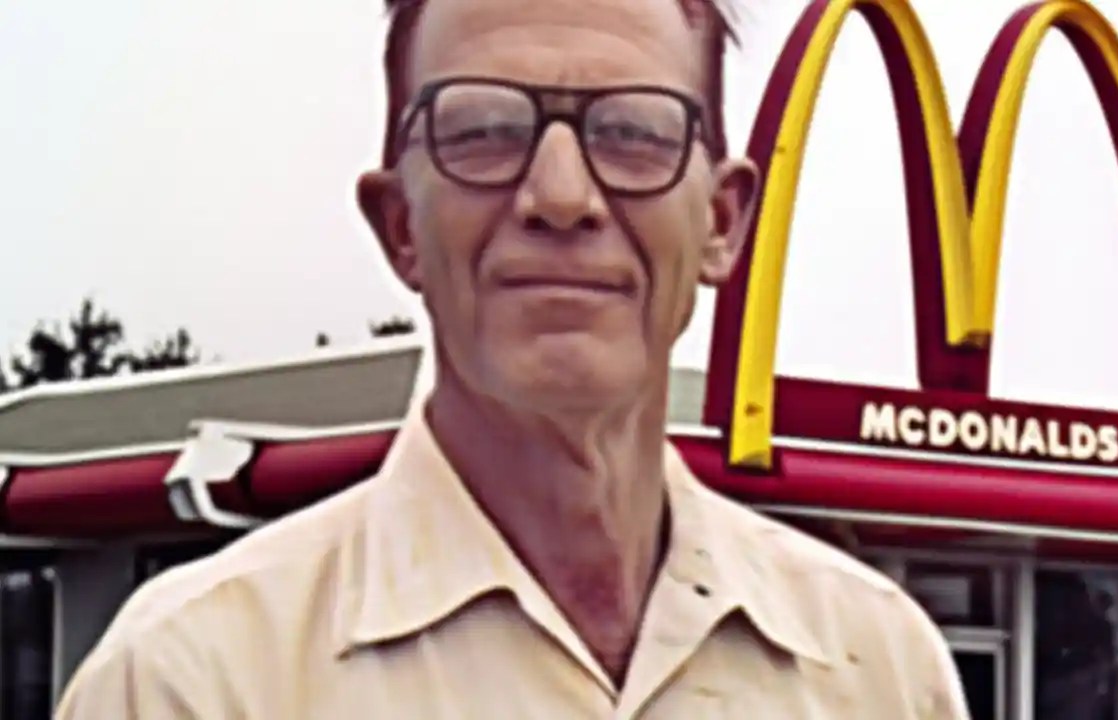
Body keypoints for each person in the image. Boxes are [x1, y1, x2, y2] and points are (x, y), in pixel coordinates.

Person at [55, 0, 970, 716]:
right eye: (483, 130)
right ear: (400, 226)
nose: (561, 196)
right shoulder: (194, 682)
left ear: (723, 224)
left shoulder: (879, 670)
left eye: (634, 132)